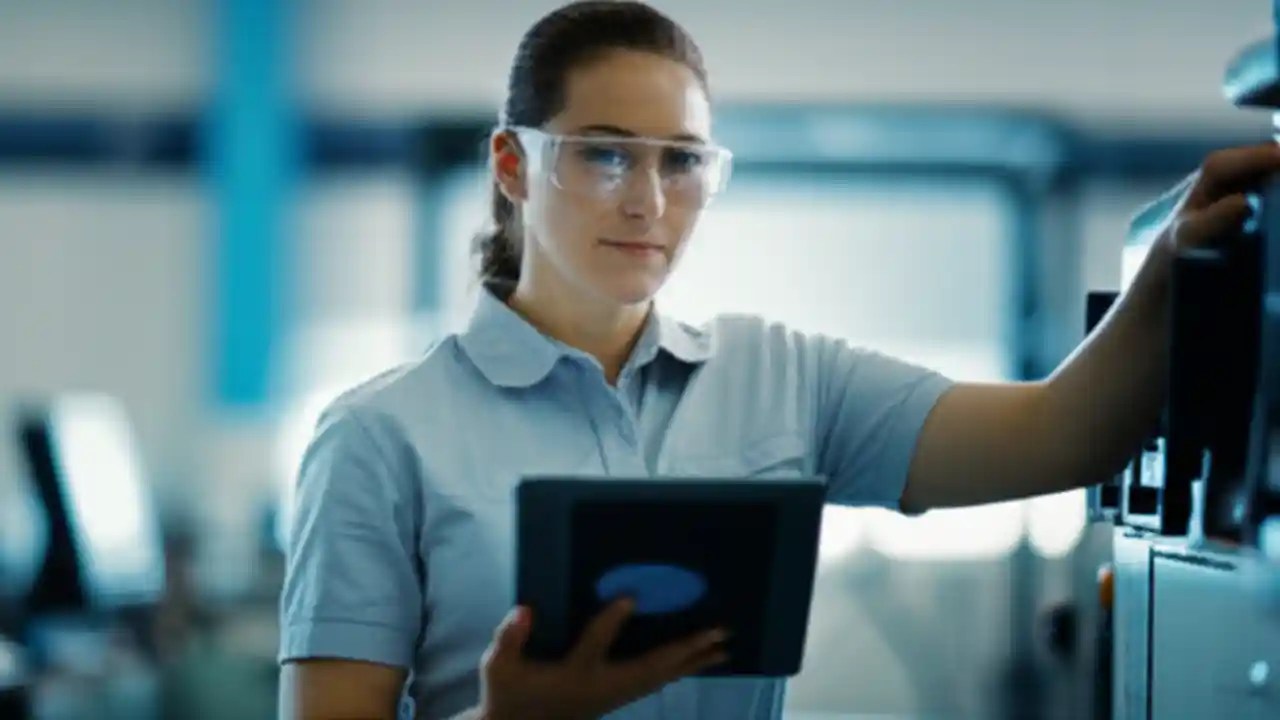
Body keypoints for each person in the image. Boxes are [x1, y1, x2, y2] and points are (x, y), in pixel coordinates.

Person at [276, 2, 1280, 719]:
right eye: (605, 153)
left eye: (681, 161)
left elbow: (1062, 435)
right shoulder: (378, 437)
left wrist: (1170, 263)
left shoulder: (785, 380)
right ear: (512, 165)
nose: (648, 201)